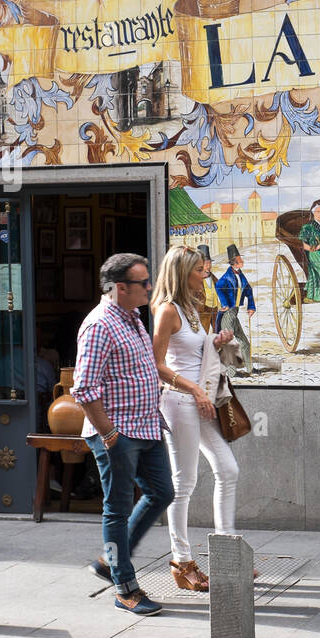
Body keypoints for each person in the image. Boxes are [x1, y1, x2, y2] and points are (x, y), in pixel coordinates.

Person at [71, 252, 174, 616]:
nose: (149, 287)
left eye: (149, 280)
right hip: (118, 432)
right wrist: (109, 433)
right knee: (117, 509)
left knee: (163, 492)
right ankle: (124, 587)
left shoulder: (132, 318)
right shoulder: (99, 324)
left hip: (147, 426)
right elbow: (83, 388)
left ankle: (108, 561)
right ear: (119, 288)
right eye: (142, 282)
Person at [151, 246, 239, 593]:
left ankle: (227, 555)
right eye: (199, 271)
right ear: (182, 274)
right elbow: (157, 365)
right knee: (184, 483)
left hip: (200, 400)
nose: (205, 275)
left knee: (228, 470)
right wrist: (194, 389)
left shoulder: (191, 309)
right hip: (178, 401)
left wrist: (216, 342)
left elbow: (192, 353)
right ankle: (182, 562)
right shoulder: (167, 311)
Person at [215, 244, 255, 376]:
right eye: (239, 259)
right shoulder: (227, 277)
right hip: (227, 315)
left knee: (244, 342)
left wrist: (251, 307)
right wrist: (225, 303)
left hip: (235, 314)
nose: (242, 261)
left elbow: (248, 289)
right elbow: (219, 286)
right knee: (228, 345)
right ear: (234, 262)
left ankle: (250, 369)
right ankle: (231, 373)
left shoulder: (240, 275)